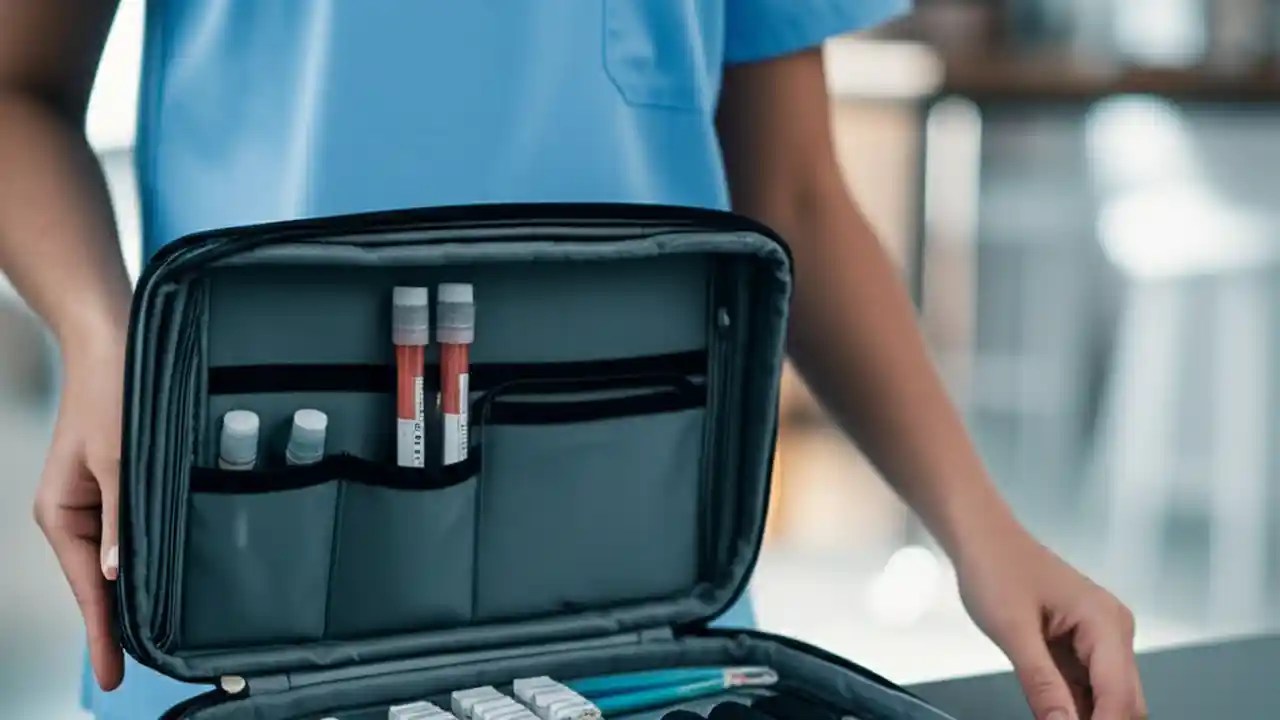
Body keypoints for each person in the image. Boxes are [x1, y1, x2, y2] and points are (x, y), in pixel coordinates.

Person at [0, 2, 1146, 719]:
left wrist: (982, 532)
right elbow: (15, 87)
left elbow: (791, 190)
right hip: (247, 619)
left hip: (637, 636)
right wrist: (103, 341)